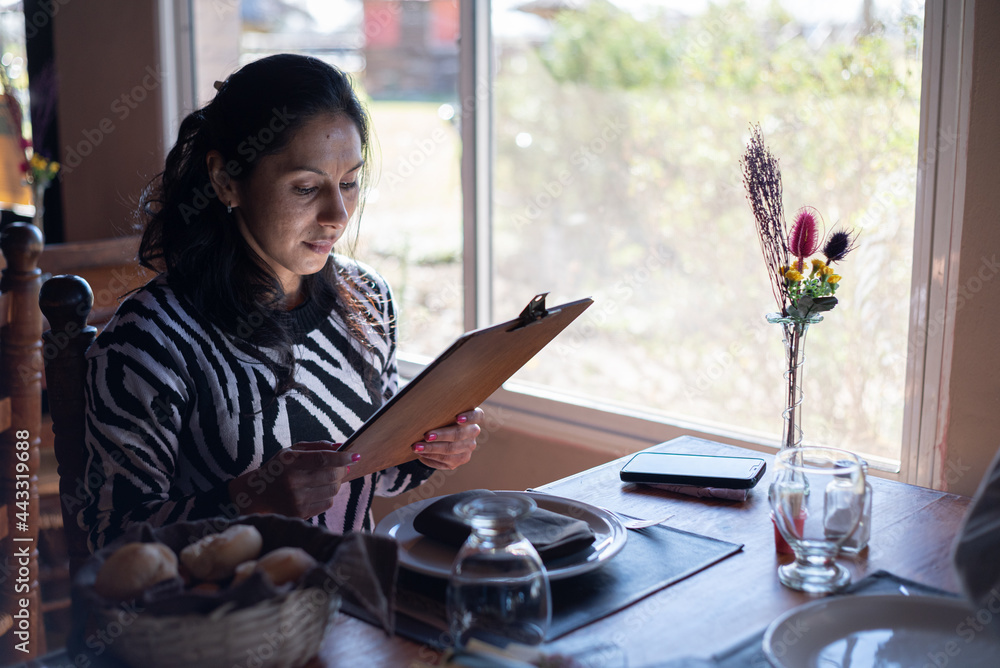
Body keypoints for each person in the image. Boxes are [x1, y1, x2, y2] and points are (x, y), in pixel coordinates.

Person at [79, 54, 482, 550]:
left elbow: (375, 479)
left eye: (350, 183)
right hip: (229, 616)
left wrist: (428, 449)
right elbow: (112, 544)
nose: (338, 214)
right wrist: (248, 499)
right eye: (307, 187)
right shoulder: (149, 342)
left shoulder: (367, 299)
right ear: (227, 179)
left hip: (354, 602)